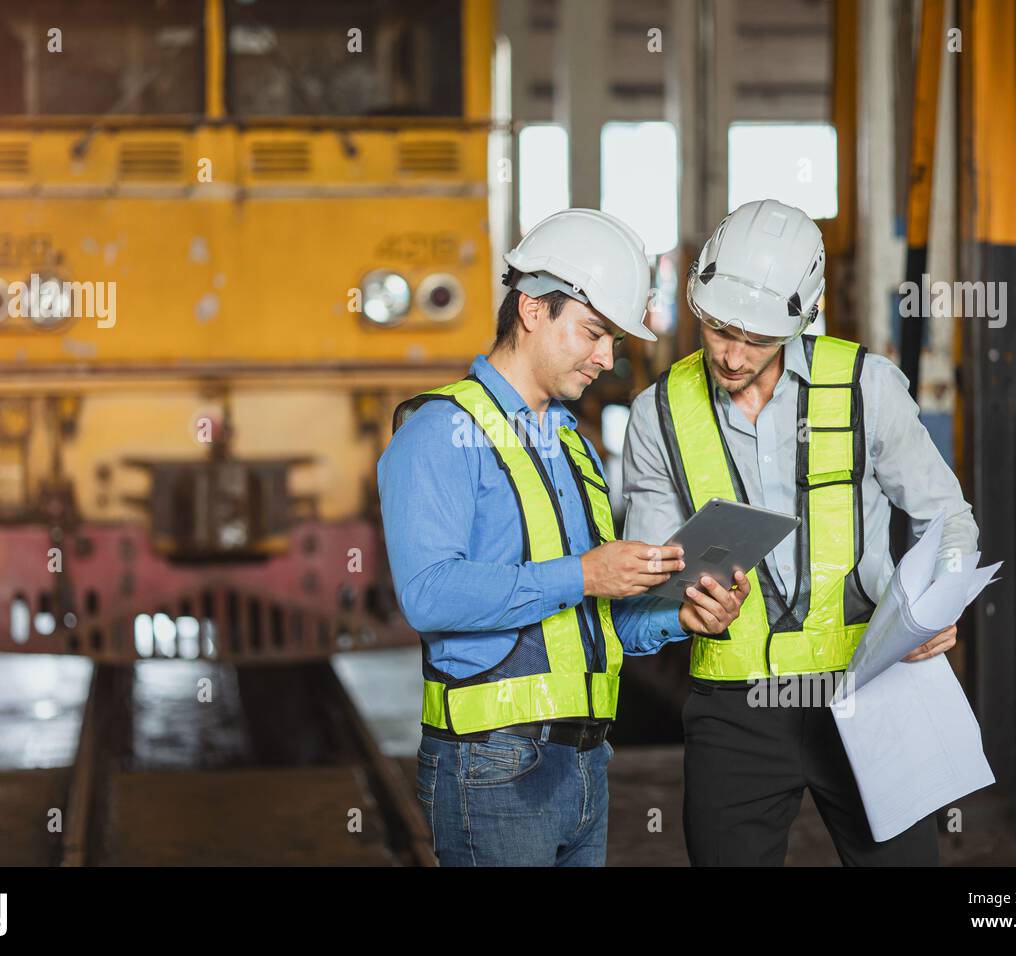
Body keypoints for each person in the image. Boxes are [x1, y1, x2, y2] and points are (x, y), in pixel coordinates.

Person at [378, 208, 750, 866]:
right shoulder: (439, 431)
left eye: (613, 341)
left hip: (585, 763)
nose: (606, 358)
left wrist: (680, 615)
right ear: (531, 309)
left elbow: (596, 619)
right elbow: (429, 594)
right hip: (490, 766)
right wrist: (583, 573)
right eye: (593, 333)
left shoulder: (572, 446)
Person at [620, 198, 979, 866]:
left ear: (803, 317)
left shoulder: (866, 386)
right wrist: (682, 613)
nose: (732, 355)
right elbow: (642, 602)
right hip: (734, 714)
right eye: (719, 329)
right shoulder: (657, 414)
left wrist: (941, 600)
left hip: (871, 690)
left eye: (757, 338)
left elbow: (947, 515)